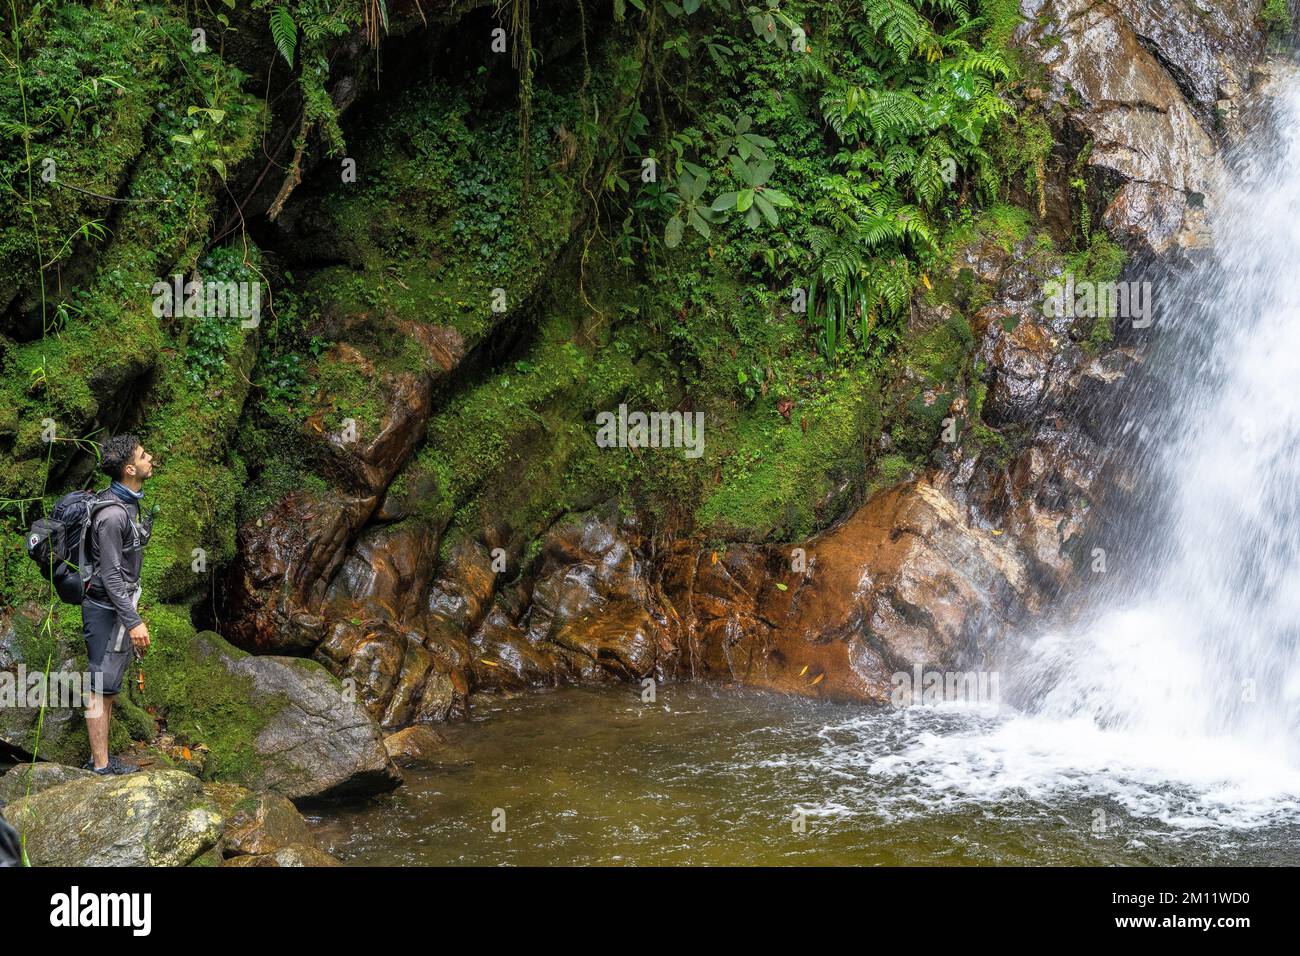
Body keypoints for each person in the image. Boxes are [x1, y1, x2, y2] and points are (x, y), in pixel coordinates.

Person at [82, 434, 155, 775]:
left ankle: (103, 759)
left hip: (117, 606)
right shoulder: (113, 515)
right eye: (143, 456)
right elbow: (110, 576)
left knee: (108, 687)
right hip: (105, 608)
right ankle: (100, 767)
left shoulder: (127, 502)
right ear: (129, 469)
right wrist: (133, 620)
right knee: (100, 687)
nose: (149, 458)